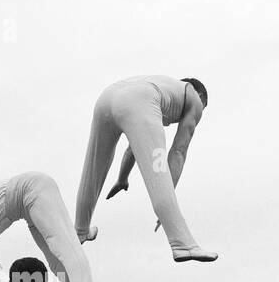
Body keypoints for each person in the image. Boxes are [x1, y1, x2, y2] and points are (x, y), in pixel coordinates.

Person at [74, 75, 217, 263]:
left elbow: (135, 147)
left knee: (93, 168)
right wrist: (167, 201)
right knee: (159, 172)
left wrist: (122, 178)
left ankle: (80, 230)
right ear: (201, 97)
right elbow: (178, 152)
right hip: (138, 100)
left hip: (106, 98)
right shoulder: (194, 99)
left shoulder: (163, 94)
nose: (198, 116)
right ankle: (183, 244)